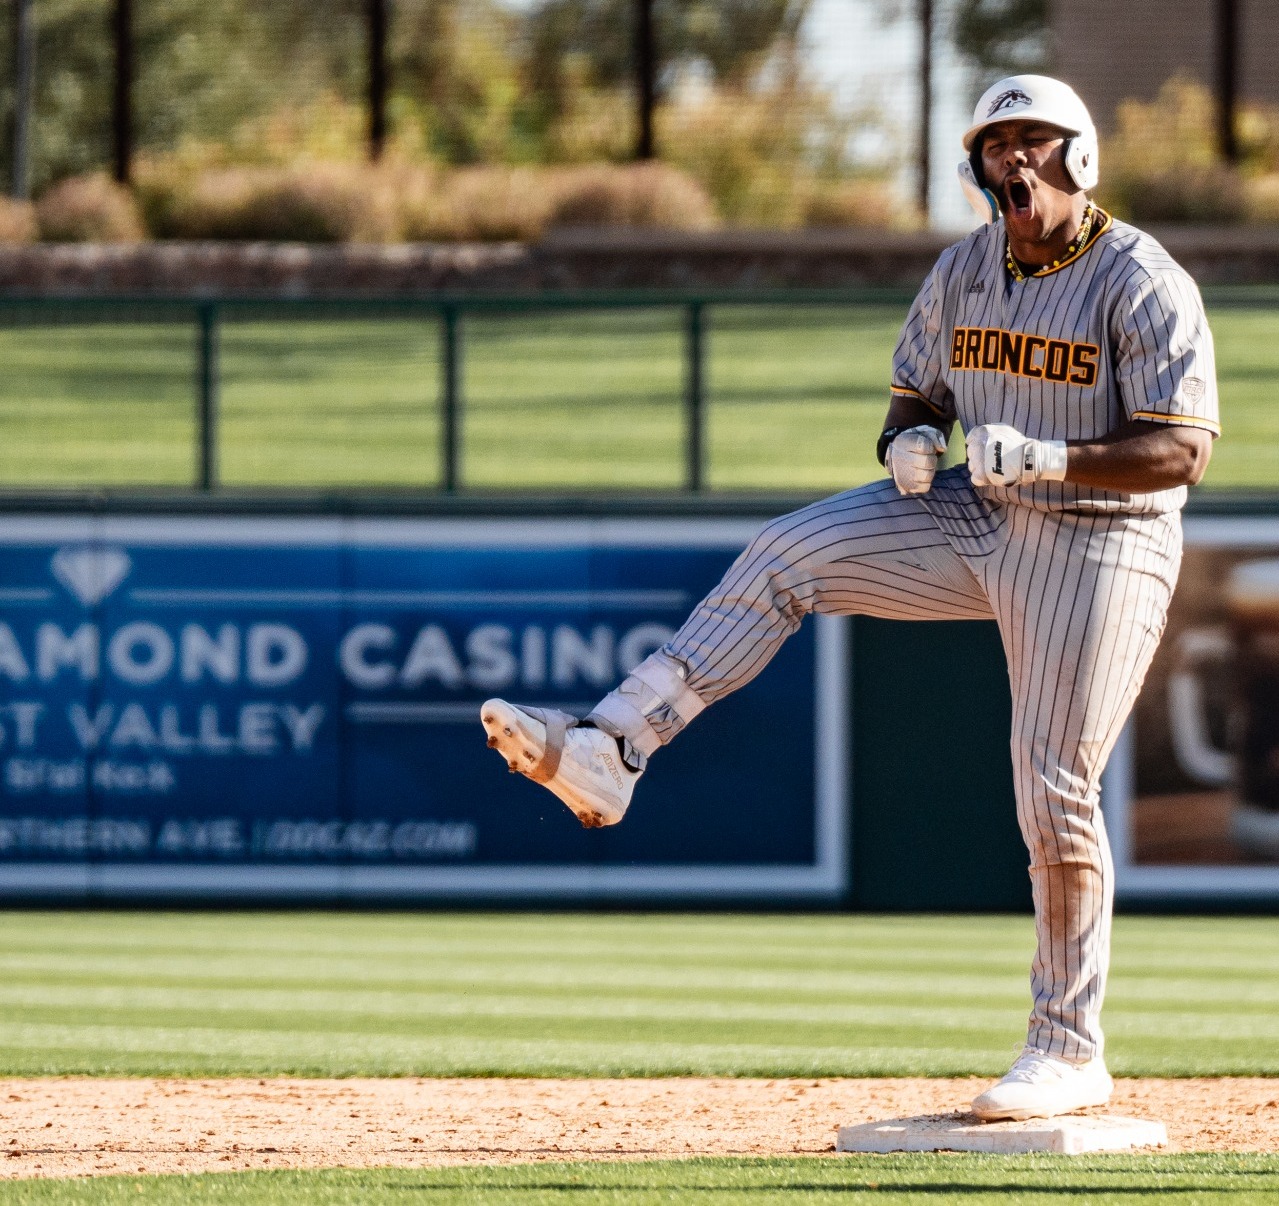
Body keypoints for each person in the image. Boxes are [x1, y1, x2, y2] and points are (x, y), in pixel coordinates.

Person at [480, 73, 1219, 1122]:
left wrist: (1052, 457)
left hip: (1103, 538)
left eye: (1034, 139)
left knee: (1052, 783)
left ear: (1080, 156)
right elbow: (917, 393)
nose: (1013, 158)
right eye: (995, 143)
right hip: (978, 513)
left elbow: (1181, 451)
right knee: (783, 553)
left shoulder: (1140, 278)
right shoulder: (965, 267)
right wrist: (906, 440)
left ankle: (1067, 1048)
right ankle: (614, 745)